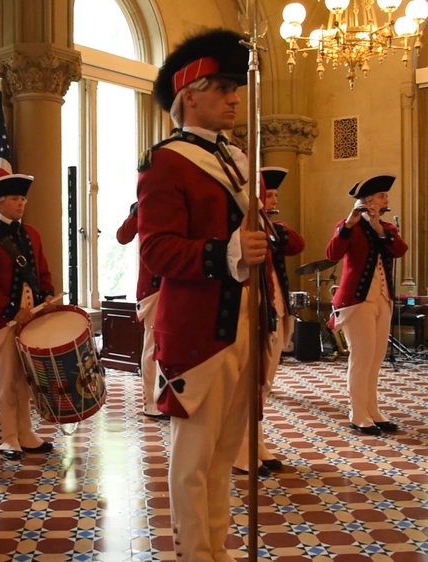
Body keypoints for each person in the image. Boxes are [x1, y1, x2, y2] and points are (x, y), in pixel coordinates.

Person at [139, 28, 270, 561]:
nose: (235, 97)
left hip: (243, 322)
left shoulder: (236, 159)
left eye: (235, 88)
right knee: (192, 460)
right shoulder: (166, 162)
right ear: (190, 94)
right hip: (198, 331)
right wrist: (228, 251)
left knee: (223, 456)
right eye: (222, 88)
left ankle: (217, 547)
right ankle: (195, 553)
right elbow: (159, 253)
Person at [0, 173, 57, 461]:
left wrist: (47, 295)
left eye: (23, 198)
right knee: (8, 381)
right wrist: (11, 311)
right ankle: (8, 437)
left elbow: (42, 269)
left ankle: (26, 432)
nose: (22, 203)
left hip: (32, 318)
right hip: (4, 321)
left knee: (26, 379)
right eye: (15, 199)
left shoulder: (31, 234)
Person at [233, 167, 305, 476]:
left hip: (274, 311)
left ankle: (257, 443)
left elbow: (297, 244)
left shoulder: (271, 226)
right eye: (267, 192)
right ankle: (240, 451)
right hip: (251, 312)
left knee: (263, 384)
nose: (272, 198)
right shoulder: (244, 226)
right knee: (247, 385)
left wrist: (271, 223)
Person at [326, 175, 408, 436]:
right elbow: (332, 254)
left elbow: (400, 250)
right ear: (369, 200)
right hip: (357, 301)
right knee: (361, 359)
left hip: (383, 300)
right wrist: (349, 224)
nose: (387, 199)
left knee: (376, 358)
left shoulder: (386, 228)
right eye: (382, 195)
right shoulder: (349, 226)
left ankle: (373, 410)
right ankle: (357, 413)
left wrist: (379, 228)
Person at [116, 201, 168, 421]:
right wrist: (136, 212)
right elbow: (122, 236)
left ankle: (169, 399)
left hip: (179, 282)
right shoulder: (146, 204)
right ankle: (152, 402)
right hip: (154, 286)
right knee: (153, 346)